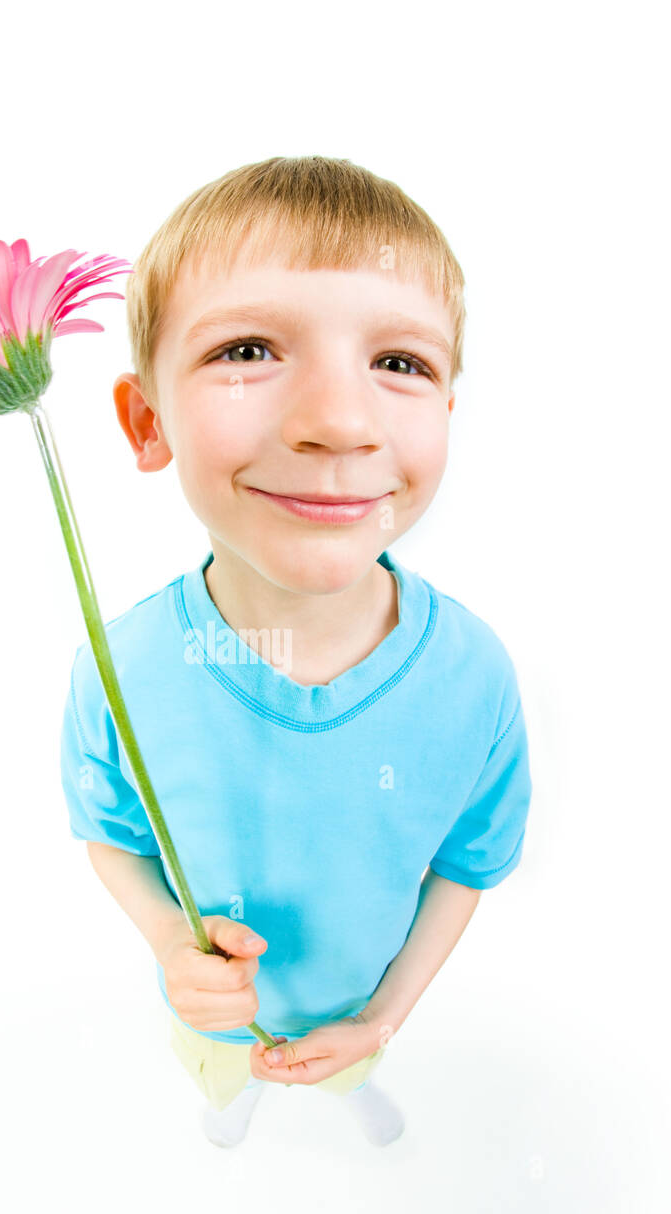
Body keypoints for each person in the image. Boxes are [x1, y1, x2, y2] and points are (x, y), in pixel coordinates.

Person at [60, 155, 532, 1148]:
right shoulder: (121, 666)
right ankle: (230, 1110)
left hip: (364, 1006)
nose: (338, 422)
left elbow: (466, 861)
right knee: (228, 1087)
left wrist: (382, 1017)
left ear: (446, 409)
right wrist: (167, 946)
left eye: (399, 364)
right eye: (245, 349)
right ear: (146, 423)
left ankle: (351, 1081)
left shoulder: (475, 678)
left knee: (344, 1068)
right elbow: (109, 831)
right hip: (211, 1018)